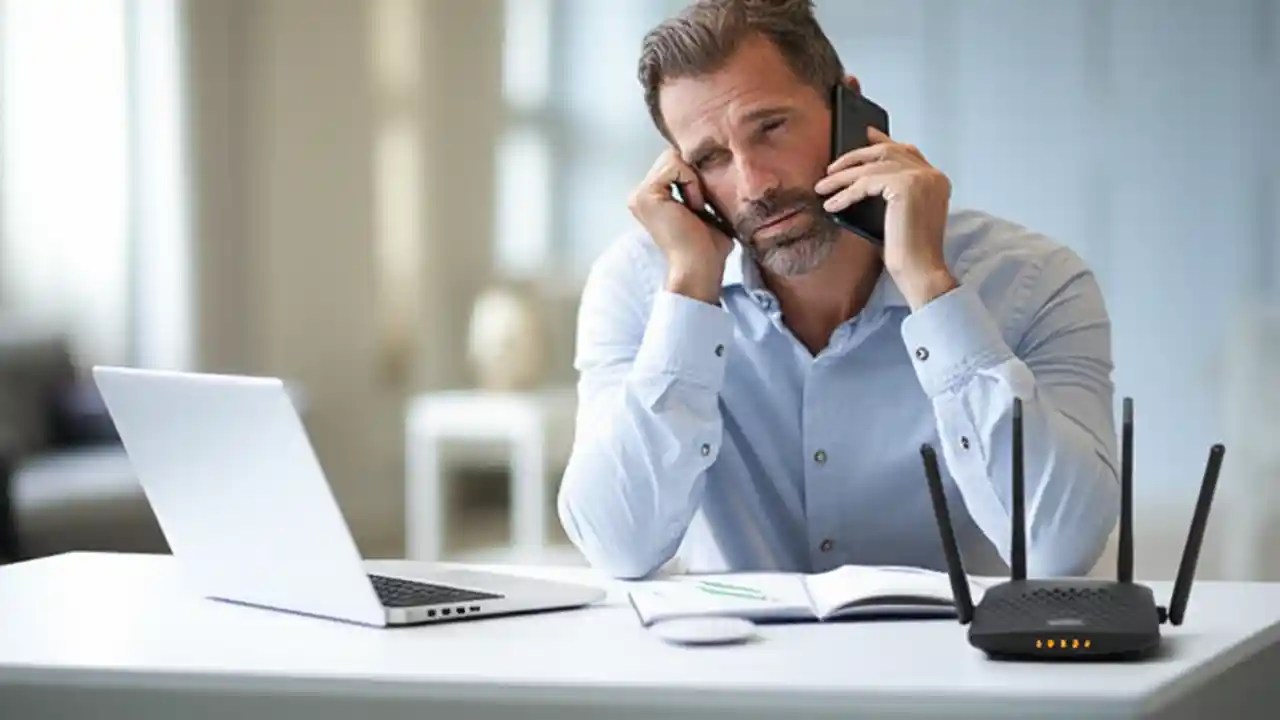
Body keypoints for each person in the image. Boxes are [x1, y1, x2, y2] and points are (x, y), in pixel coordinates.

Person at [557, 0, 1119, 580]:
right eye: (711, 158)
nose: (754, 185)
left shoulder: (1035, 282)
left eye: (770, 128)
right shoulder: (640, 286)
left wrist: (930, 286)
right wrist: (688, 297)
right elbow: (616, 546)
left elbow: (1061, 548)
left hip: (956, 642)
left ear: (848, 106)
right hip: (730, 641)